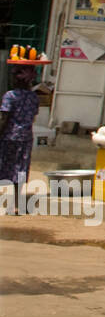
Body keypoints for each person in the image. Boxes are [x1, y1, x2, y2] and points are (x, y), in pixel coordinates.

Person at [0, 66, 40, 212]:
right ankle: (16, 204)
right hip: (26, 137)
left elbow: (4, 118)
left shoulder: (10, 96)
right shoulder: (34, 97)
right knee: (20, 169)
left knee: (4, 165)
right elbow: (33, 116)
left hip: (8, 137)